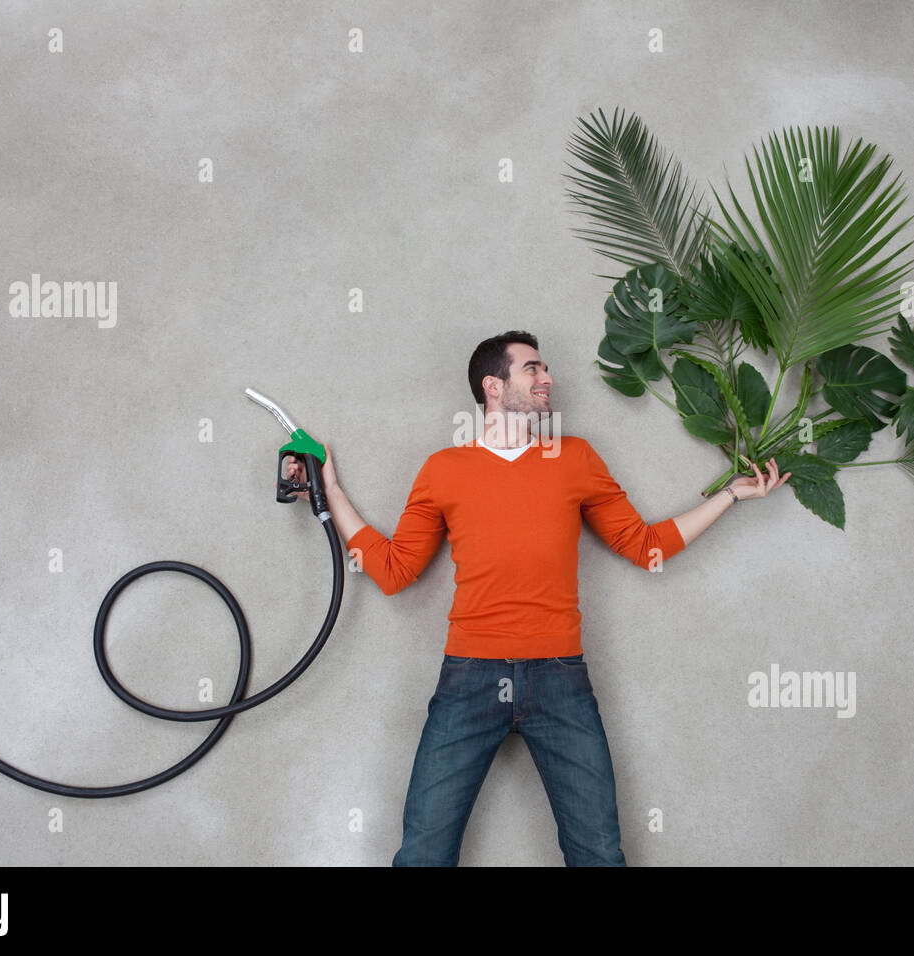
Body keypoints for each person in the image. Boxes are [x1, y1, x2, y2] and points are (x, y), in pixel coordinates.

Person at [283, 331, 790, 865]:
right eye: (533, 369)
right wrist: (330, 491)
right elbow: (391, 570)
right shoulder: (443, 469)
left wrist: (732, 494)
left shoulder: (576, 458)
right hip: (469, 678)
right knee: (424, 853)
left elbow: (645, 548)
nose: (548, 379)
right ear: (493, 386)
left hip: (560, 679)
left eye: (545, 369)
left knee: (598, 853)